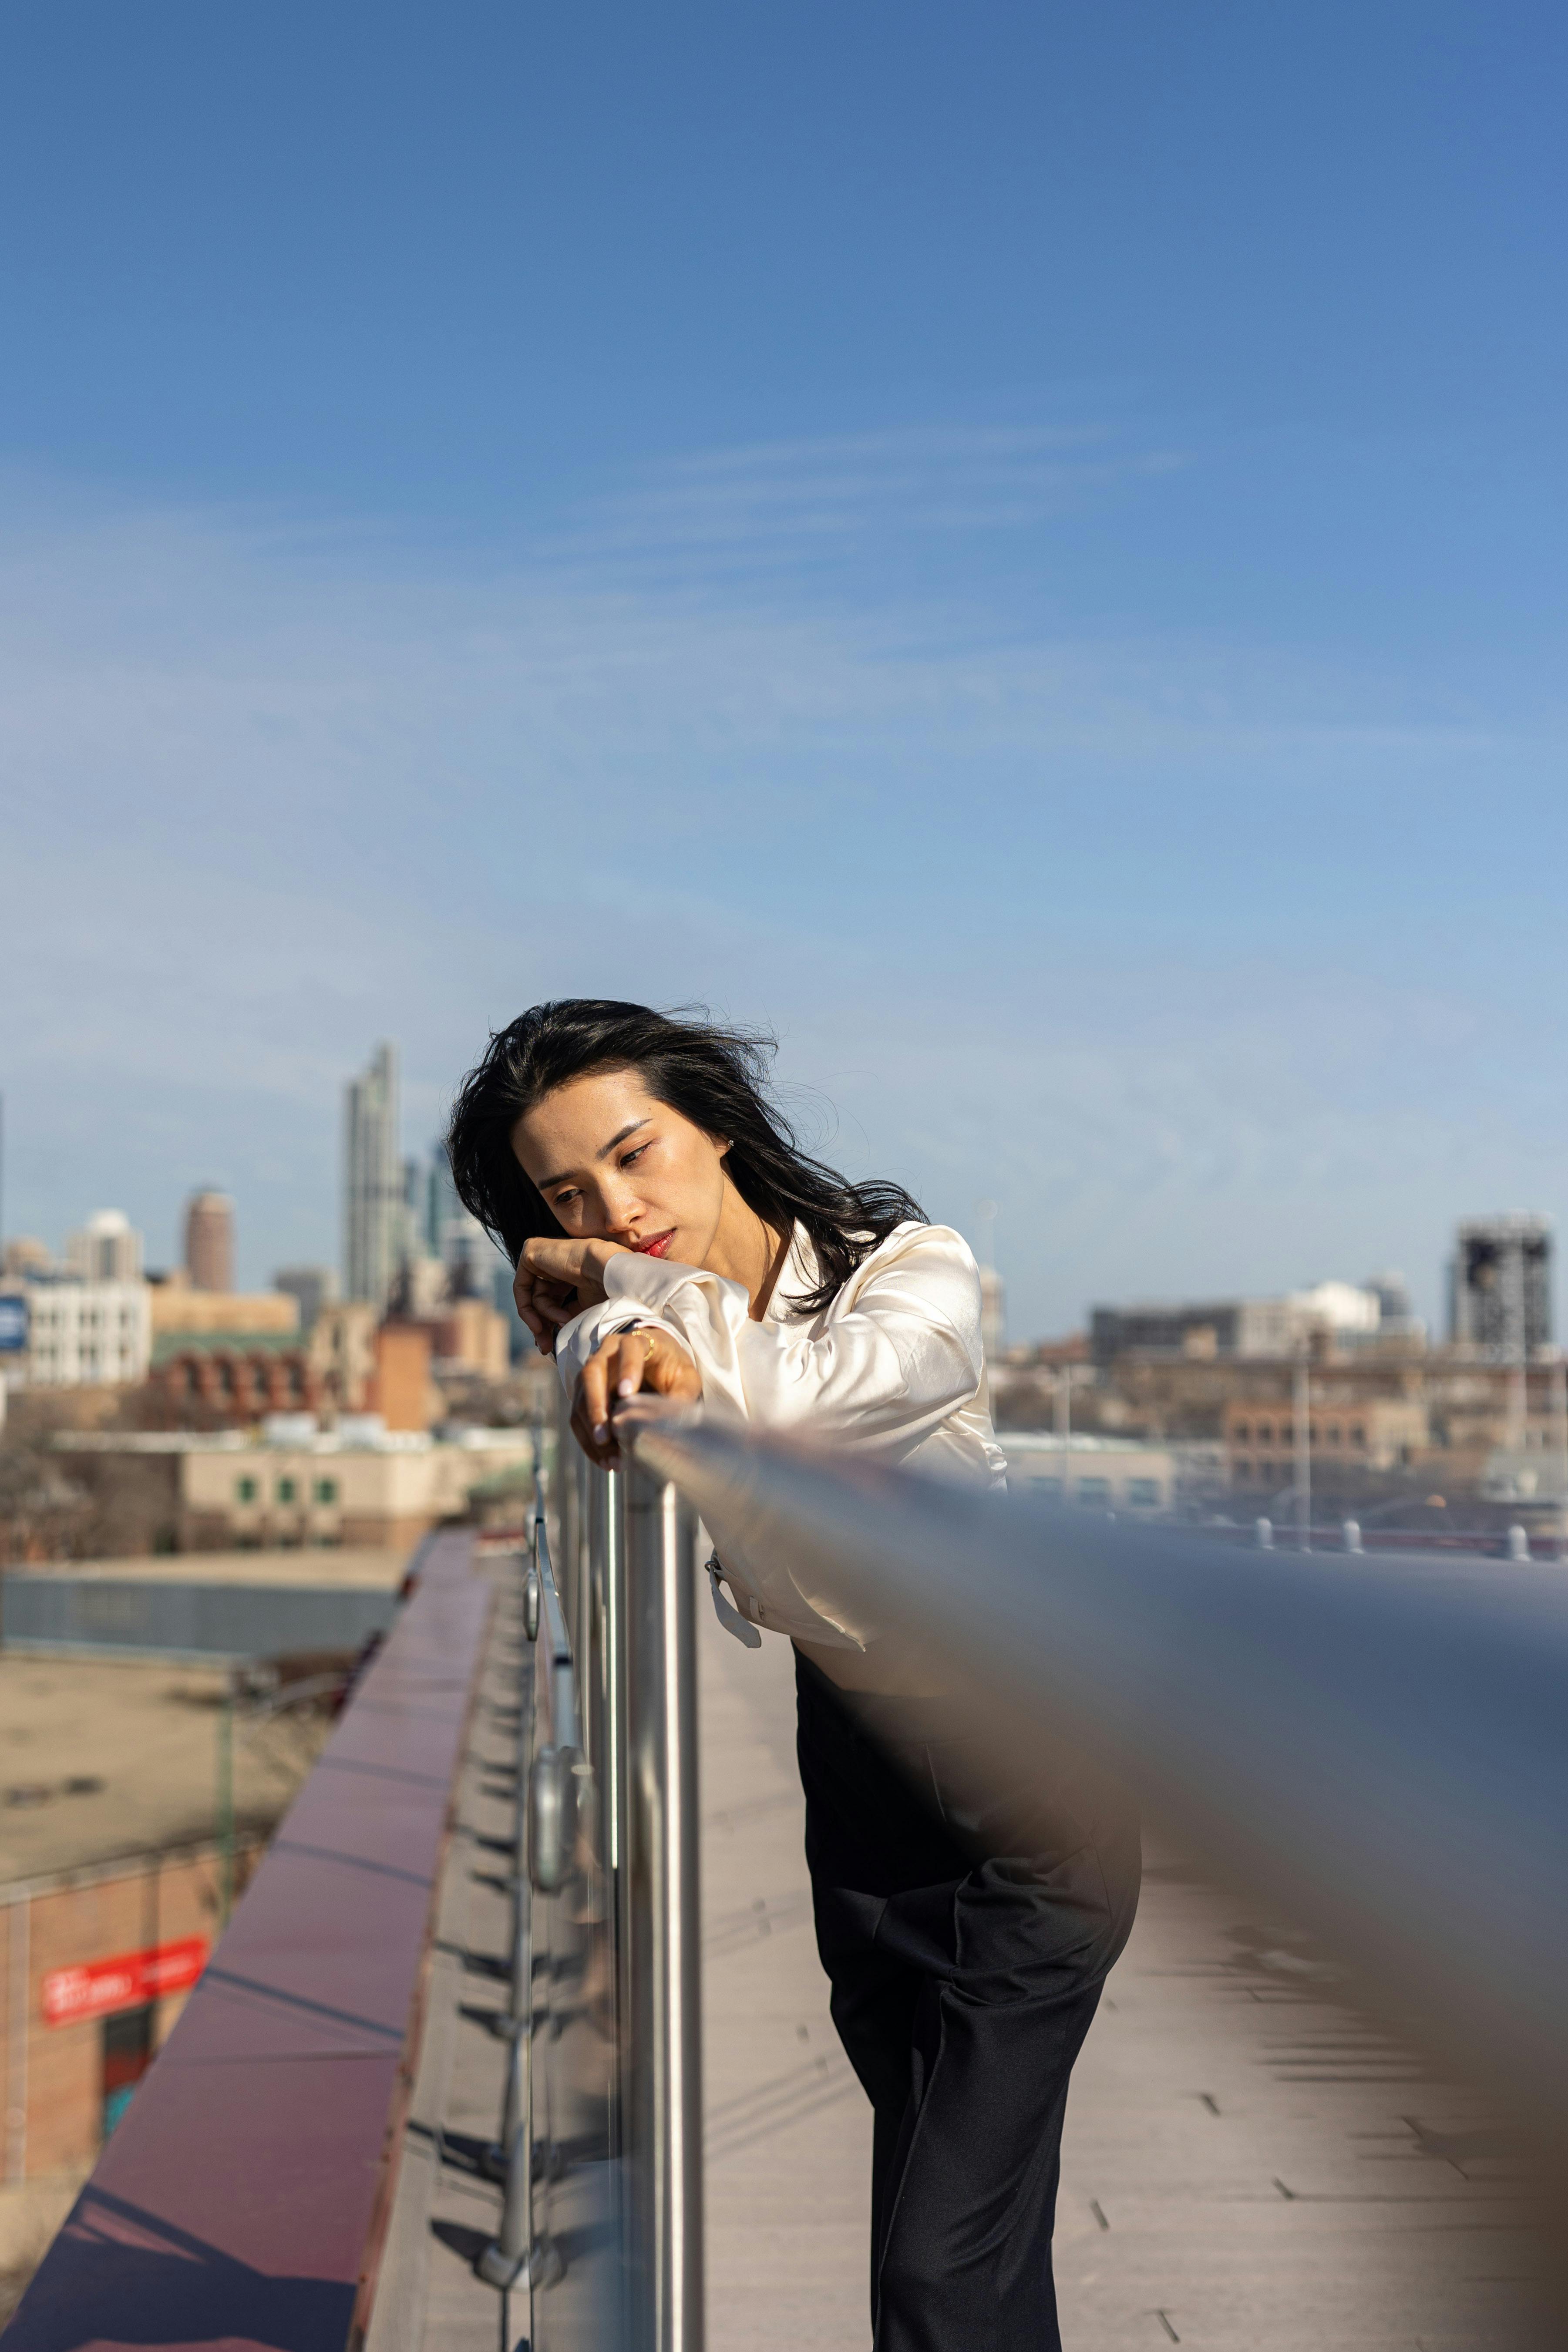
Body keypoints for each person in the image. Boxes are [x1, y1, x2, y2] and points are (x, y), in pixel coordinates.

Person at [447, 999, 1139, 2352]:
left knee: (934, 2264)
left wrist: (623, 1296)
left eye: (636, 1154)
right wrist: (605, 1325)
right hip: (862, 1765)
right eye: (568, 1195)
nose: (618, 1208)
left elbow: (830, 1393)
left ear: (715, 1126)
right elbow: (612, 1360)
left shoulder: (910, 1269)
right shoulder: (634, 1319)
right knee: (973, 2229)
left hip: (1034, 1772)